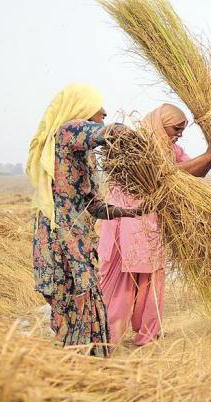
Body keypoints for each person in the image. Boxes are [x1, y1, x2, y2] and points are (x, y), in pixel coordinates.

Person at [28, 84, 143, 357]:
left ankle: (85, 364)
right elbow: (106, 132)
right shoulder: (68, 131)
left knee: (85, 299)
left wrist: (125, 212)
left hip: (77, 236)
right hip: (60, 235)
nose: (103, 112)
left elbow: (92, 204)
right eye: (98, 108)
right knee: (70, 301)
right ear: (82, 110)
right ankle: (74, 364)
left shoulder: (83, 153)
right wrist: (132, 137)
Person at [97, 103, 211, 346]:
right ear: (160, 123)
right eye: (175, 128)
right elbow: (163, 173)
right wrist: (207, 154)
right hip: (128, 218)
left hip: (151, 222)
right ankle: (108, 333)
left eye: (181, 130)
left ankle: (148, 332)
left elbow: (193, 174)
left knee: (151, 277)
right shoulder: (137, 145)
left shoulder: (171, 148)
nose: (178, 134)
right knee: (125, 277)